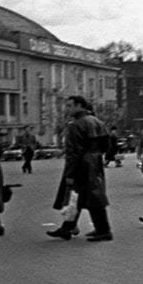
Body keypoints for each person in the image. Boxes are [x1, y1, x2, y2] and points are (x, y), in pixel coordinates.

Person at [46, 96, 113, 241]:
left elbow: (73, 152)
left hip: (82, 164)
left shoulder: (75, 125)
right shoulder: (97, 122)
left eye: (70, 106)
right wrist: (97, 156)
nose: (67, 109)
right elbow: (107, 144)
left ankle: (104, 230)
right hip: (94, 162)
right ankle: (67, 228)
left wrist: (70, 173)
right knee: (81, 197)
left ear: (80, 106)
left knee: (88, 197)